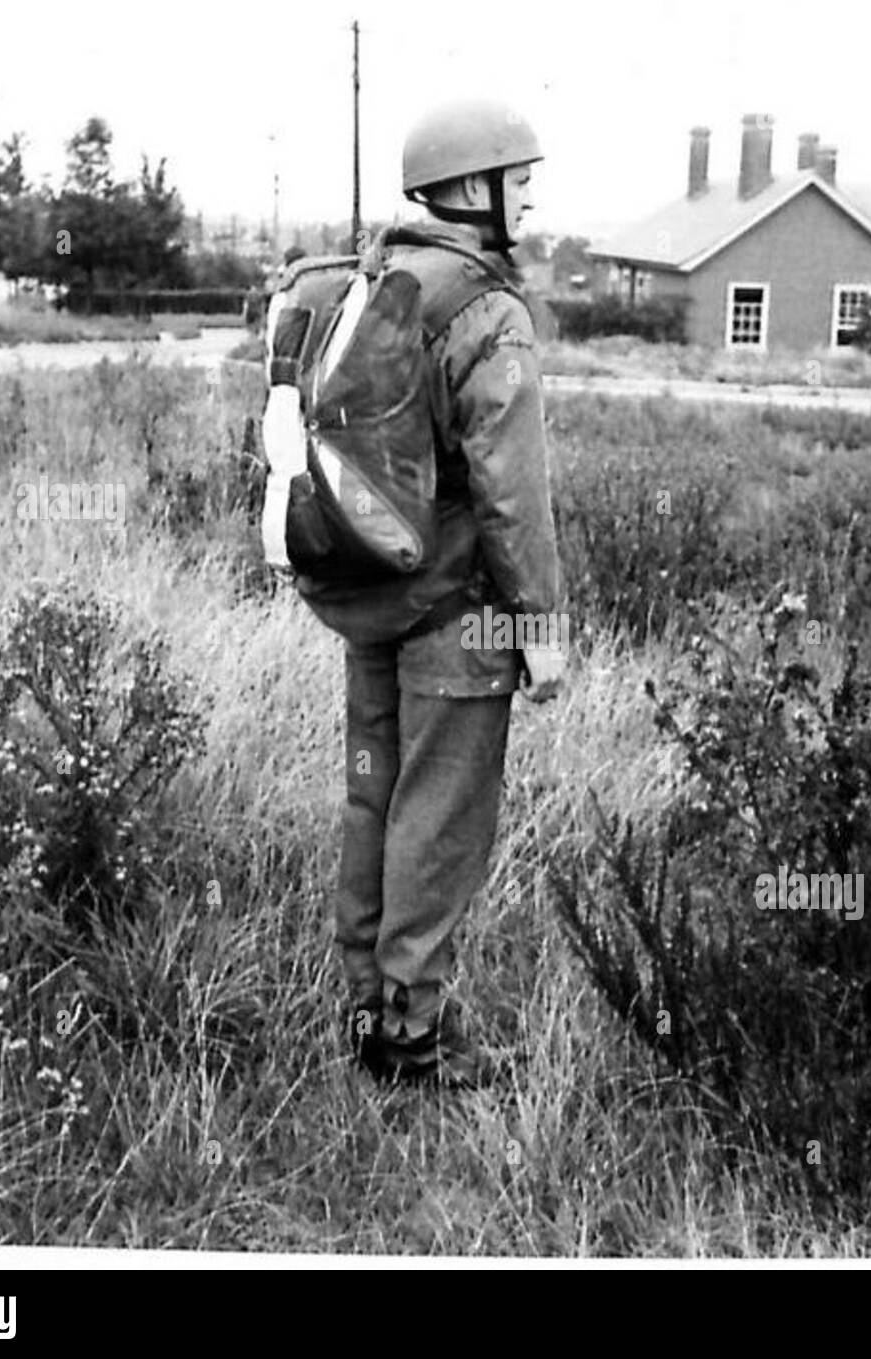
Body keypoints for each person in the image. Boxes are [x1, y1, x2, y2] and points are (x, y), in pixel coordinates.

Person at [302, 98, 565, 1089]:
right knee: (437, 820)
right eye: (518, 177)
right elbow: (513, 489)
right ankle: (409, 1038)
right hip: (458, 614)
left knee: (373, 798)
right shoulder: (486, 310)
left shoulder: (372, 278)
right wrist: (543, 626)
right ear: (471, 190)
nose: (531, 195)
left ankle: (367, 1008)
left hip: (368, 595)